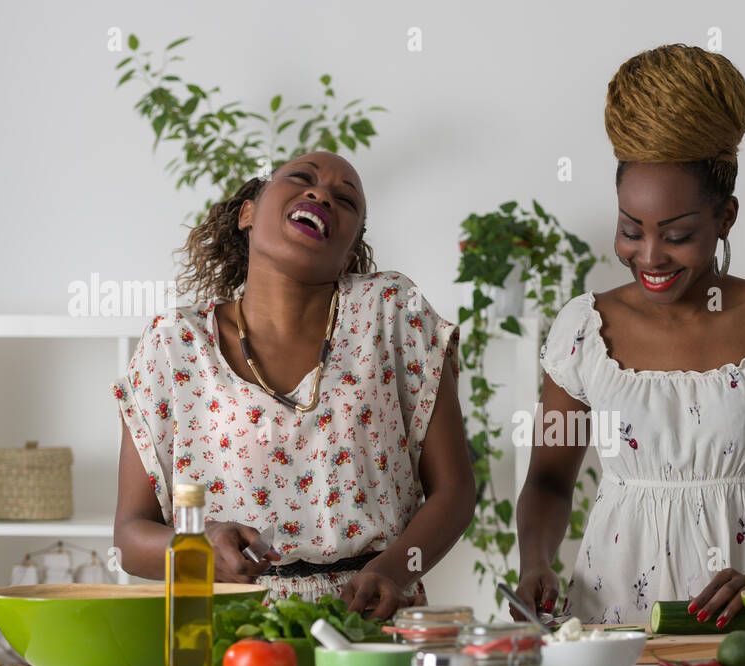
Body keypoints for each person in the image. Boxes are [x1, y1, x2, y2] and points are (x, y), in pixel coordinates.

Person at [515, 45, 745, 628]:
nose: (649, 257)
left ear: (726, 217)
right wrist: (535, 561)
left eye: (677, 234)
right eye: (629, 229)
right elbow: (546, 480)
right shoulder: (582, 331)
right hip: (607, 620)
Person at [113, 152, 475, 618]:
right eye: (302, 178)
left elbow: (455, 491)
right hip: (225, 628)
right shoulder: (174, 344)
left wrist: (394, 572)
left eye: (345, 200)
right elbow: (128, 538)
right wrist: (194, 549)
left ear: (350, 248)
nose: (321, 193)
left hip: (369, 619)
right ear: (248, 212)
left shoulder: (392, 313)